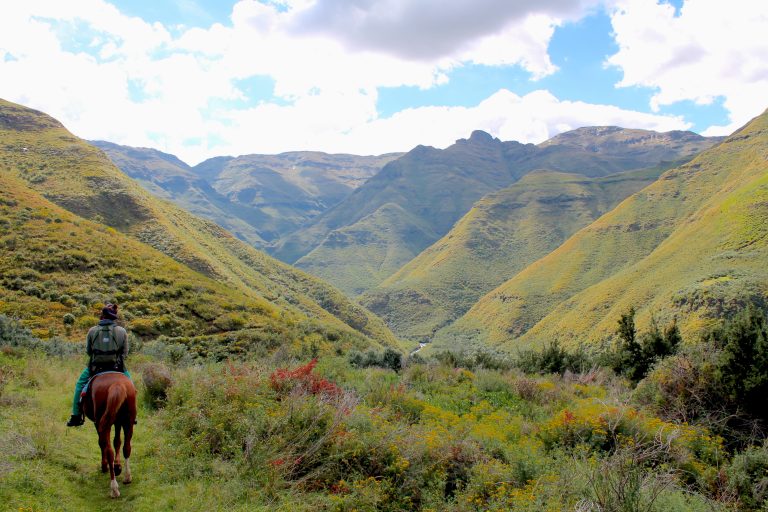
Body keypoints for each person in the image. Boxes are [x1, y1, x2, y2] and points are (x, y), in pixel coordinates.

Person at [66, 303, 132, 427]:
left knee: (80, 385)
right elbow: (125, 353)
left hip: (96, 368)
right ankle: (131, 414)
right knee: (131, 387)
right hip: (117, 368)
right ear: (114, 317)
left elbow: (88, 351)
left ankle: (76, 416)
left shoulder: (92, 331)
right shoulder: (122, 331)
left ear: (102, 315)